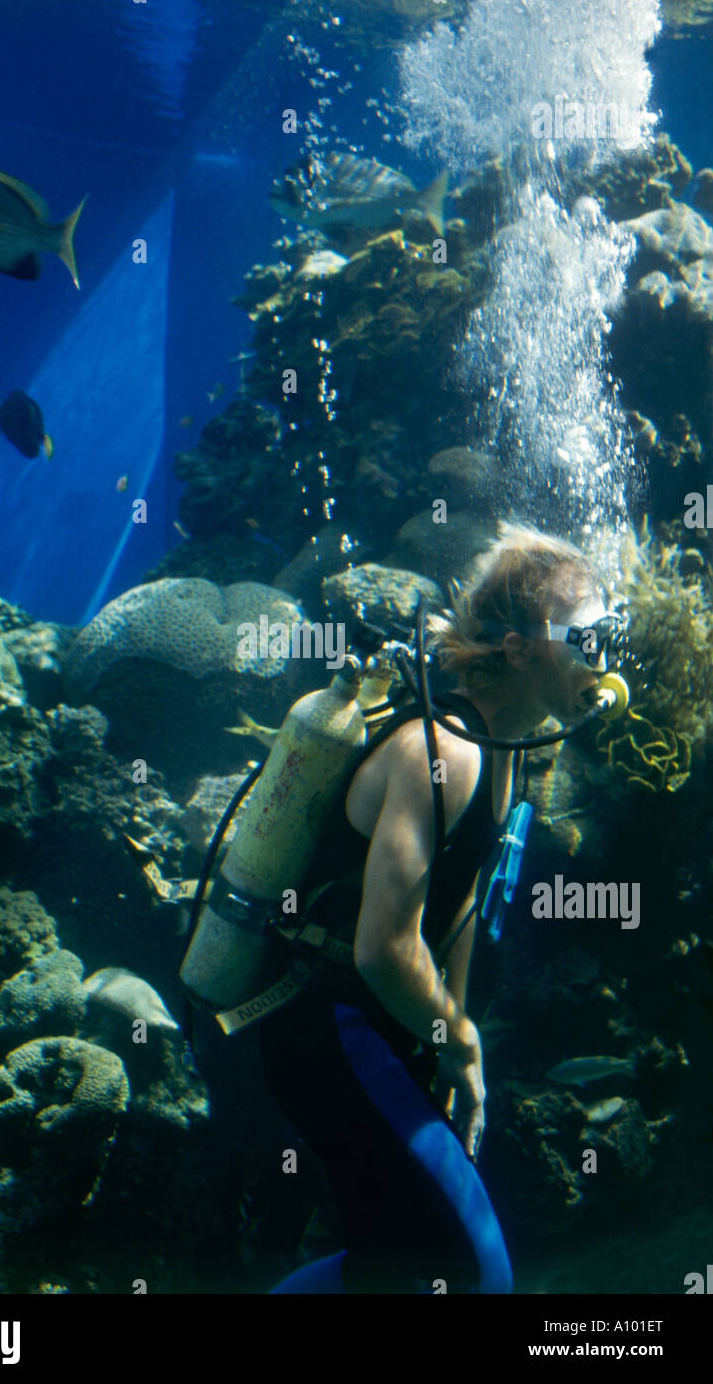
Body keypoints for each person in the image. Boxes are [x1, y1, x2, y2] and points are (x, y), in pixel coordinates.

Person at [260, 523, 615, 1293]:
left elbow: (448, 919)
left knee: (393, 1268)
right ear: (520, 649)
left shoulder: (506, 762)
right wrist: (457, 1041)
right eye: (587, 637)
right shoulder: (445, 752)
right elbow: (384, 947)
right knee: (472, 1269)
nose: (604, 659)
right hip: (325, 1028)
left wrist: (450, 1044)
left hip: (382, 1032)